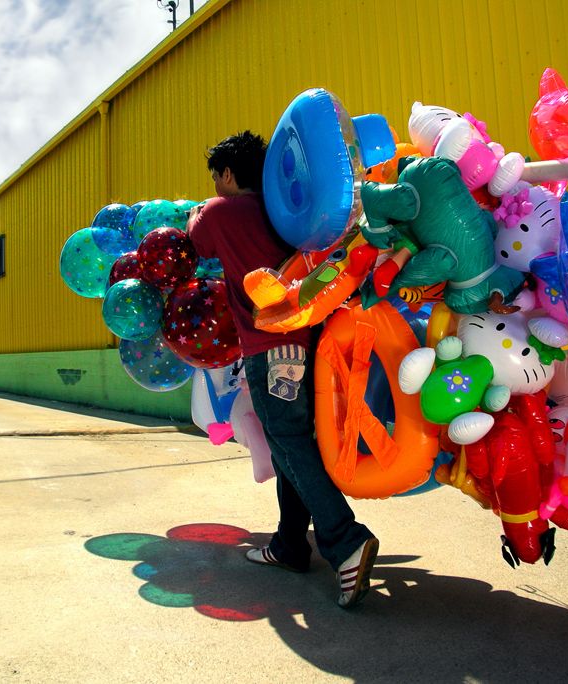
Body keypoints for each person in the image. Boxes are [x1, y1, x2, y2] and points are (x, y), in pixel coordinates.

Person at [188, 131, 379, 608]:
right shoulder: (286, 209)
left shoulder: (219, 212)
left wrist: (195, 211)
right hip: (315, 338)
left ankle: (345, 539)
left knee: (288, 443)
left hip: (271, 345)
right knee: (295, 442)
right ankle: (291, 545)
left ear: (229, 175)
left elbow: (195, 242)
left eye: (216, 177)